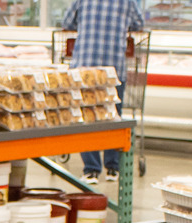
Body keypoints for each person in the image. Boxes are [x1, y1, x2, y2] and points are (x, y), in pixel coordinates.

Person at [61, 0, 143, 183]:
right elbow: (139, 24)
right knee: (113, 115)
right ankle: (113, 168)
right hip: (113, 69)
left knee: (86, 117)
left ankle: (91, 170)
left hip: (85, 67)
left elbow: (66, 23)